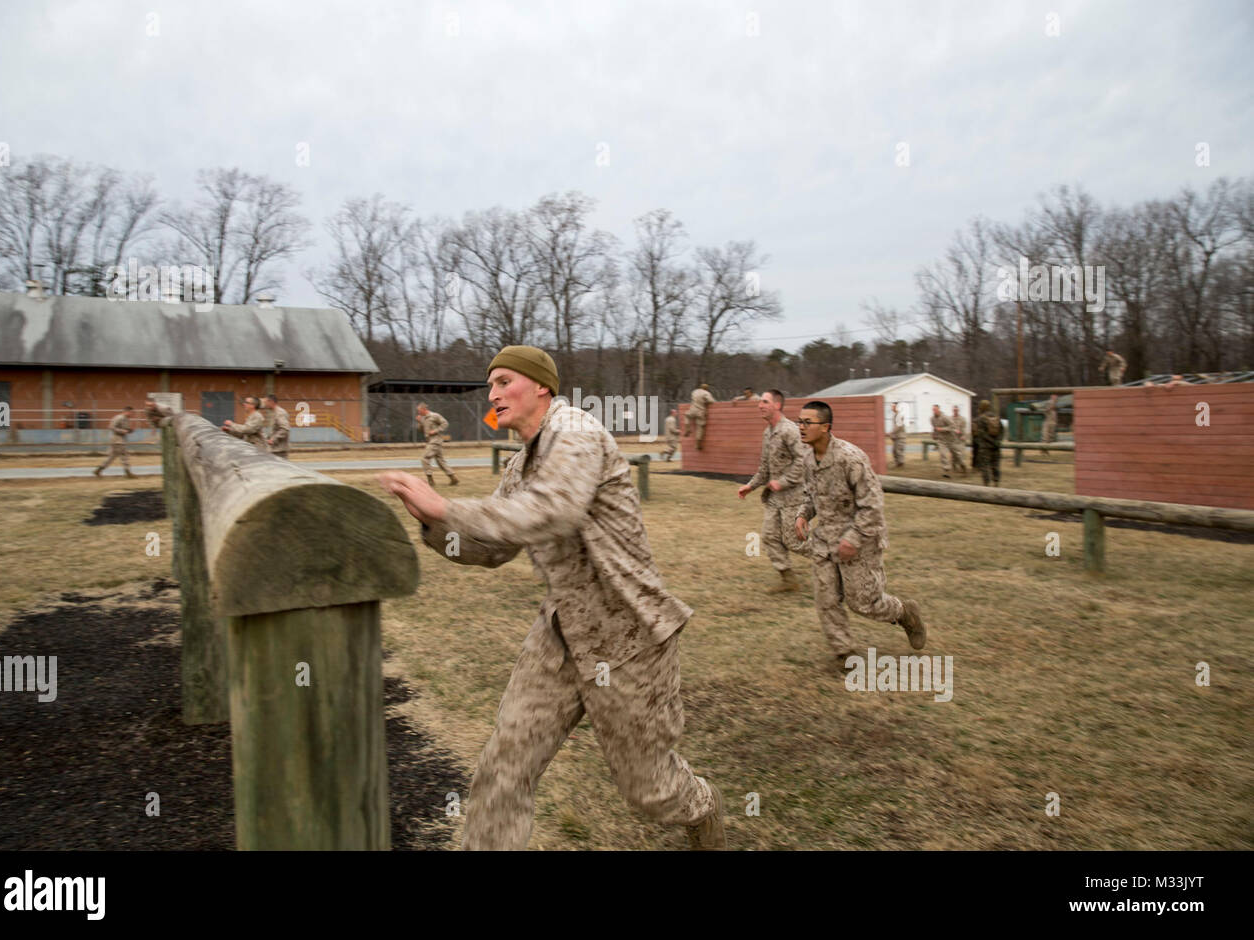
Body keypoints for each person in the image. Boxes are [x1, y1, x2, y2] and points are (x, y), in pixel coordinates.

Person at [378, 345, 724, 851]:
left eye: (503, 382)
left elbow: (552, 511)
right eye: (490, 385)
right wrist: (430, 519)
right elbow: (493, 548)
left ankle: (702, 806)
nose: (493, 394)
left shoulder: (577, 433)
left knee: (651, 793)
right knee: (505, 765)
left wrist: (449, 505)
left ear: (541, 386)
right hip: (561, 633)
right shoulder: (520, 465)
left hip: (630, 635)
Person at [793, 401, 925, 670]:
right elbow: (811, 494)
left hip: (861, 540)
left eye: (808, 422)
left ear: (826, 427)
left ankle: (904, 612)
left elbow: (873, 504)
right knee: (826, 599)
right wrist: (802, 514)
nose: (801, 427)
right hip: (824, 541)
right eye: (799, 421)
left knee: (864, 603)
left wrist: (853, 539)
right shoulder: (808, 459)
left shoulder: (850, 458)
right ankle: (845, 655)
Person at [737, 389, 808, 594]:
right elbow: (765, 468)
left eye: (765, 402)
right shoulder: (767, 433)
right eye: (760, 402)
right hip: (775, 498)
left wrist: (783, 482)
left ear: (777, 405)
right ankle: (788, 579)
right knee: (769, 536)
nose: (760, 405)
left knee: (796, 542)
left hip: (794, 496)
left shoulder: (790, 430)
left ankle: (834, 561)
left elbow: (802, 461)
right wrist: (751, 486)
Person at [94, 406, 135, 478]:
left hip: (120, 440)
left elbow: (124, 428)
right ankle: (128, 473)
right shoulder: (119, 418)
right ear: (127, 411)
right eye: (131, 412)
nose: (132, 414)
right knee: (124, 456)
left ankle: (99, 470)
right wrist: (123, 431)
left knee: (111, 457)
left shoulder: (126, 419)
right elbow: (111, 427)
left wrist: (129, 430)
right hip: (117, 440)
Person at [974, 400, 1002, 486]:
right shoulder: (996, 417)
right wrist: (997, 442)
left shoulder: (980, 419)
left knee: (985, 466)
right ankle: (996, 481)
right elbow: (1002, 430)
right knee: (995, 465)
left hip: (985, 447)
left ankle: (986, 483)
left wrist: (990, 441)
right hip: (996, 447)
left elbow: (981, 433)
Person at [682, 383, 716, 451]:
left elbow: (693, 398)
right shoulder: (706, 393)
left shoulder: (695, 391)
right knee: (700, 428)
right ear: (706, 388)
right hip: (700, 411)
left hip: (692, 409)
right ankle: (698, 444)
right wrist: (705, 401)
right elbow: (711, 401)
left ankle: (687, 428)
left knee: (687, 416)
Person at [263, 395, 291, 460]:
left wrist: (273, 439)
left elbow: (285, 428)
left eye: (265, 402)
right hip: (276, 449)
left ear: (271, 402)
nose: (264, 405)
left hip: (279, 450)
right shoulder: (275, 412)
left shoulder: (280, 413)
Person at [930, 404, 954, 478]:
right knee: (942, 454)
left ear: (939, 409)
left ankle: (961, 466)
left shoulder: (945, 417)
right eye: (933, 410)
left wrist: (942, 429)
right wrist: (934, 434)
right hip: (941, 439)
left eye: (936, 409)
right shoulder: (932, 419)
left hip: (950, 438)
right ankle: (946, 470)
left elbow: (952, 426)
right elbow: (934, 428)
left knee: (956, 455)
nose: (934, 411)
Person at [949, 406, 970, 474]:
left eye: (956, 410)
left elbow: (964, 429)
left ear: (958, 411)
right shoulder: (950, 419)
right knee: (954, 455)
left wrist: (964, 436)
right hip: (952, 439)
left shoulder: (962, 419)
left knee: (961, 455)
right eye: (954, 410)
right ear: (952, 411)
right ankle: (954, 467)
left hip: (960, 440)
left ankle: (963, 467)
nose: (955, 411)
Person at [888, 402, 907, 468]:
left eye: (893, 406)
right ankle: (898, 463)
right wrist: (892, 435)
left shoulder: (900, 415)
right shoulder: (895, 415)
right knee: (894, 451)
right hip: (896, 437)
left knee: (899, 451)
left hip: (900, 437)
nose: (892, 408)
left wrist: (891, 432)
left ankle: (901, 464)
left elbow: (898, 426)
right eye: (892, 406)